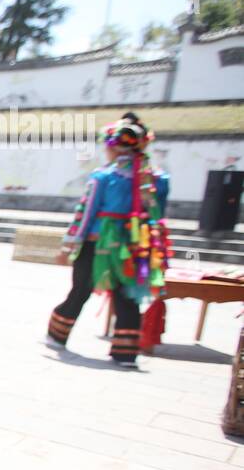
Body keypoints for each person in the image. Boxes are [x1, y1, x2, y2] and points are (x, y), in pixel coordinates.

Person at [48, 112, 170, 368]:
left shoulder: (103, 177)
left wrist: (69, 243)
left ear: (113, 147)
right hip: (135, 244)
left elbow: (86, 212)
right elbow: (158, 215)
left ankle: (56, 336)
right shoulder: (157, 180)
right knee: (126, 295)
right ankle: (125, 354)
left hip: (97, 242)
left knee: (81, 289)